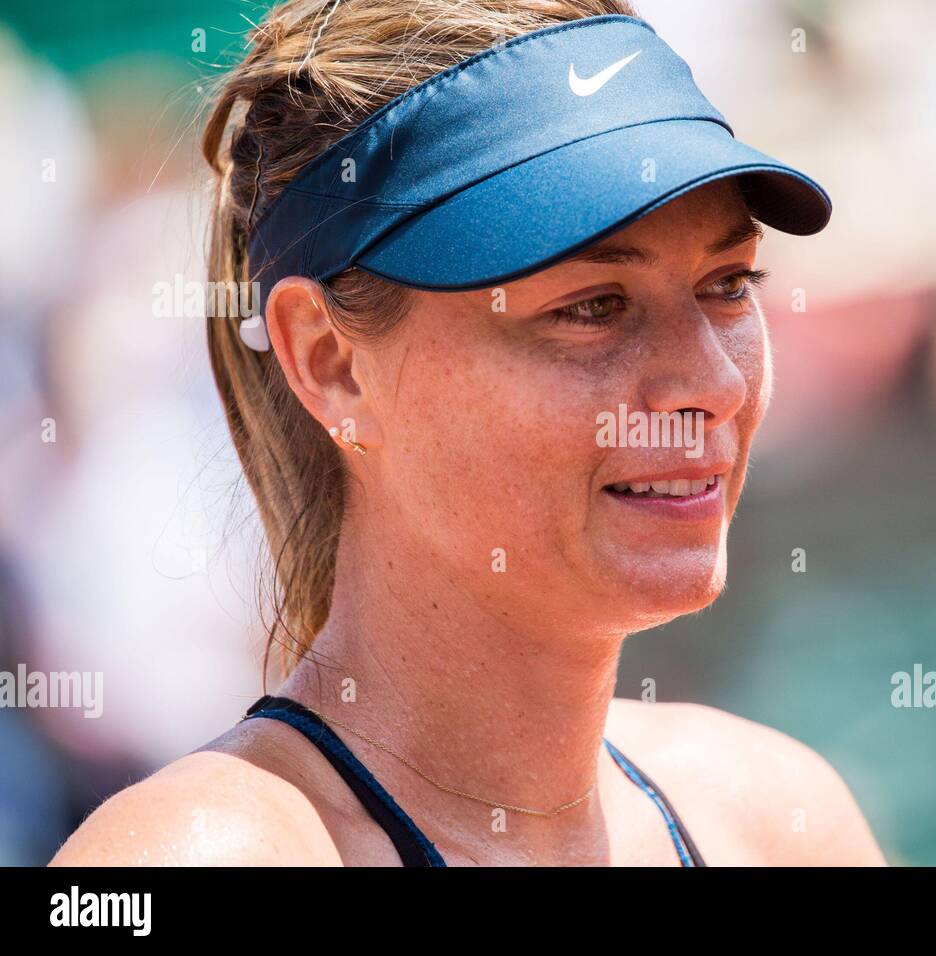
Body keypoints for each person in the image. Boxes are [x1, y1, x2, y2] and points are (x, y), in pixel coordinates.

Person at [50, 0, 885, 866]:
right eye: (593, 308)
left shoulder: (775, 818)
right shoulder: (197, 857)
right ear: (332, 362)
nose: (713, 383)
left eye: (729, 283)